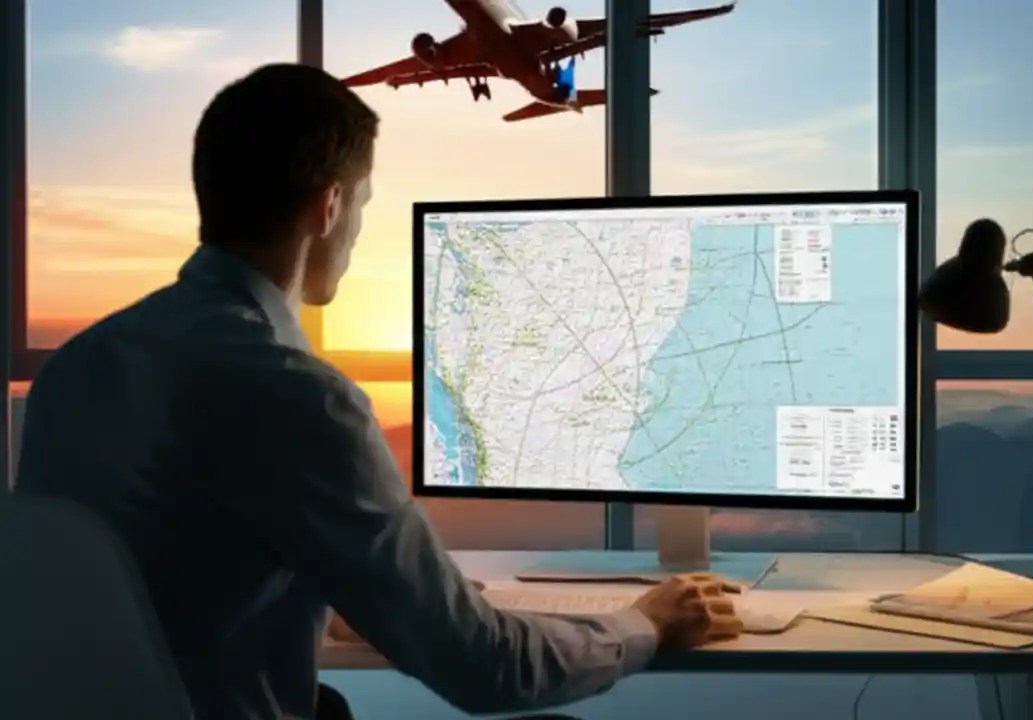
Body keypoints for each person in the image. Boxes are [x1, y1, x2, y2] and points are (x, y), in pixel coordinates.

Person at [13, 63, 742, 720]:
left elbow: (159, 584)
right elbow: (487, 668)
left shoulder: (76, 367)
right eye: (362, 203)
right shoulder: (298, 395)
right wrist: (645, 623)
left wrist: (351, 593)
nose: (358, 229)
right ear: (328, 206)